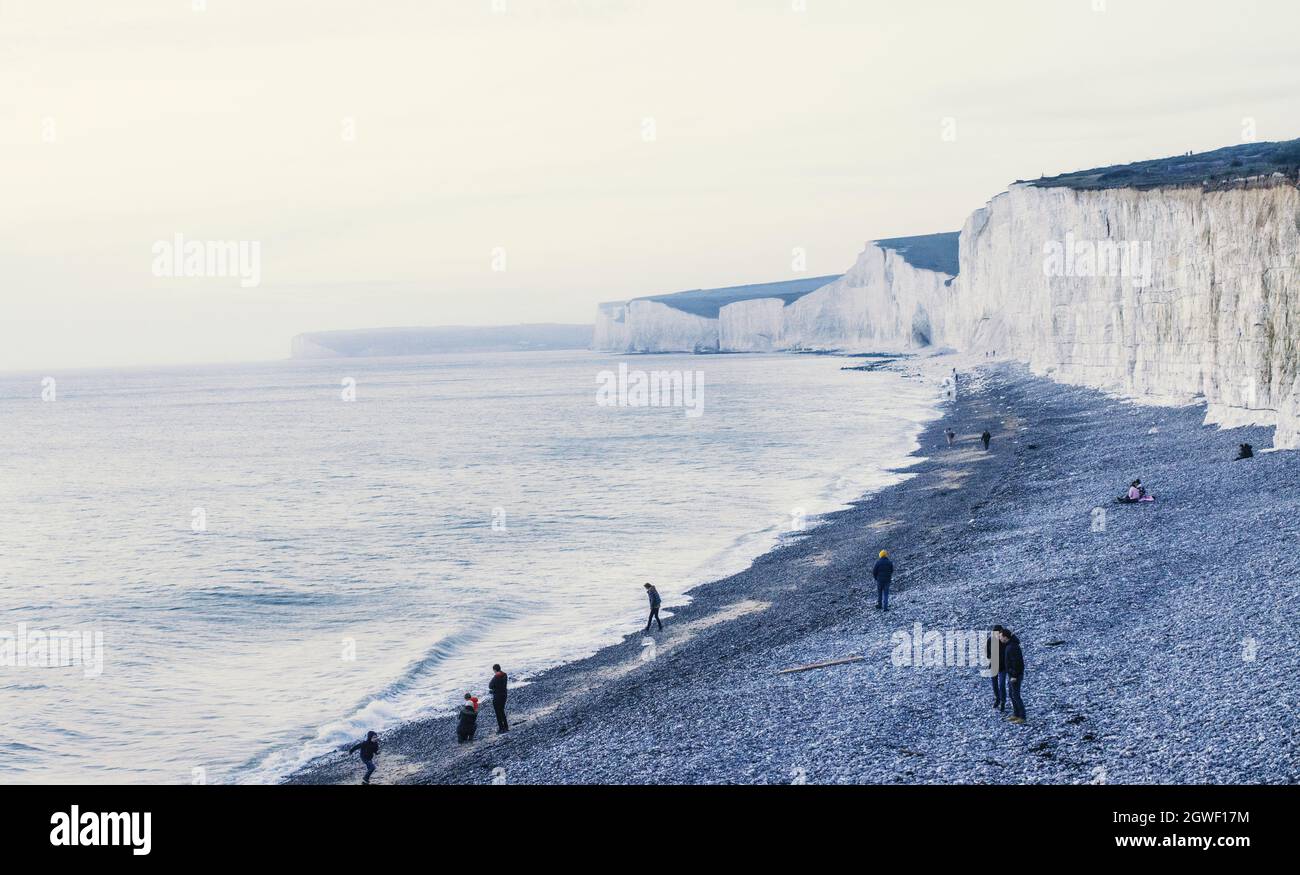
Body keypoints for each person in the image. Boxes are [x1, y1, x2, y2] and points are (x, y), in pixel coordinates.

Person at [998, 628, 1026, 724]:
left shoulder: (1013, 647)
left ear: (1005, 637)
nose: (999, 639)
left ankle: (1022, 716)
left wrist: (1014, 675)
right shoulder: (1009, 645)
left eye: (1000, 637)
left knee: (1016, 695)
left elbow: (1017, 663)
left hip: (1015, 675)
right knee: (1011, 694)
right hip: (1012, 674)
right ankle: (1016, 714)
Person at [986, 625, 1008, 711]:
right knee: (994, 685)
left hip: (1003, 666)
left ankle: (1003, 701)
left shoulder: (1004, 641)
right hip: (994, 666)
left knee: (1001, 684)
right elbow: (987, 652)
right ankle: (998, 699)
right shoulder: (990, 640)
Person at [488, 664, 509, 733]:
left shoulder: (496, 676)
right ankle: (506, 726)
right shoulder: (505, 675)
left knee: (498, 712)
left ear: (494, 670)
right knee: (502, 711)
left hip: (497, 696)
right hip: (504, 695)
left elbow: (490, 686)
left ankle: (501, 728)